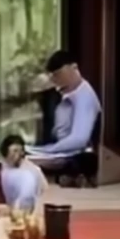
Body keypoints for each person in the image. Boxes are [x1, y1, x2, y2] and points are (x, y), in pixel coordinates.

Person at [25, 49, 101, 186]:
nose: (55, 80)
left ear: (74, 68)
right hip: (59, 148)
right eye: (52, 76)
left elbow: (79, 140)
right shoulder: (62, 94)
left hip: (74, 153)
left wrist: (48, 150)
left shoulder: (84, 97)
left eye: (58, 74)